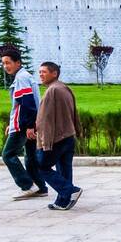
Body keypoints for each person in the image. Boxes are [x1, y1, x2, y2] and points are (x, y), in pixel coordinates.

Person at [27, 61, 83, 212]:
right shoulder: (64, 88)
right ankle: (63, 201)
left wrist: (44, 142)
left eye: (44, 72)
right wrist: (77, 130)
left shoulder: (52, 91)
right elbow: (74, 112)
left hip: (56, 138)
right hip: (68, 135)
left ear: (54, 73)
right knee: (64, 169)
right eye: (39, 72)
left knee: (41, 167)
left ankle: (70, 190)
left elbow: (45, 119)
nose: (41, 75)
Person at [0, 48, 47, 199]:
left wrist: (29, 126)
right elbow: (20, 105)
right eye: (3, 63)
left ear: (18, 63)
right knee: (31, 157)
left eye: (8, 63)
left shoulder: (21, 78)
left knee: (8, 154)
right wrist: (12, 122)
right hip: (26, 122)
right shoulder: (25, 76)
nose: (6, 66)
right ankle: (40, 187)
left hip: (23, 125)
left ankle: (26, 185)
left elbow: (27, 104)